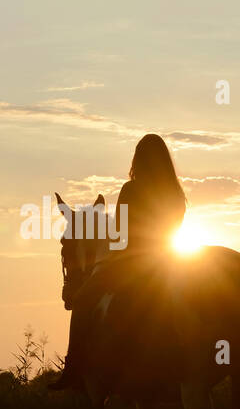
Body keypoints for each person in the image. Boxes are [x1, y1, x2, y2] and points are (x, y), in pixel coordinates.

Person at [48, 134, 186, 391]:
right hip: (171, 262)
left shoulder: (131, 189)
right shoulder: (177, 194)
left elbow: (120, 235)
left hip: (135, 265)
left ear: (138, 160)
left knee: (81, 299)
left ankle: (73, 368)